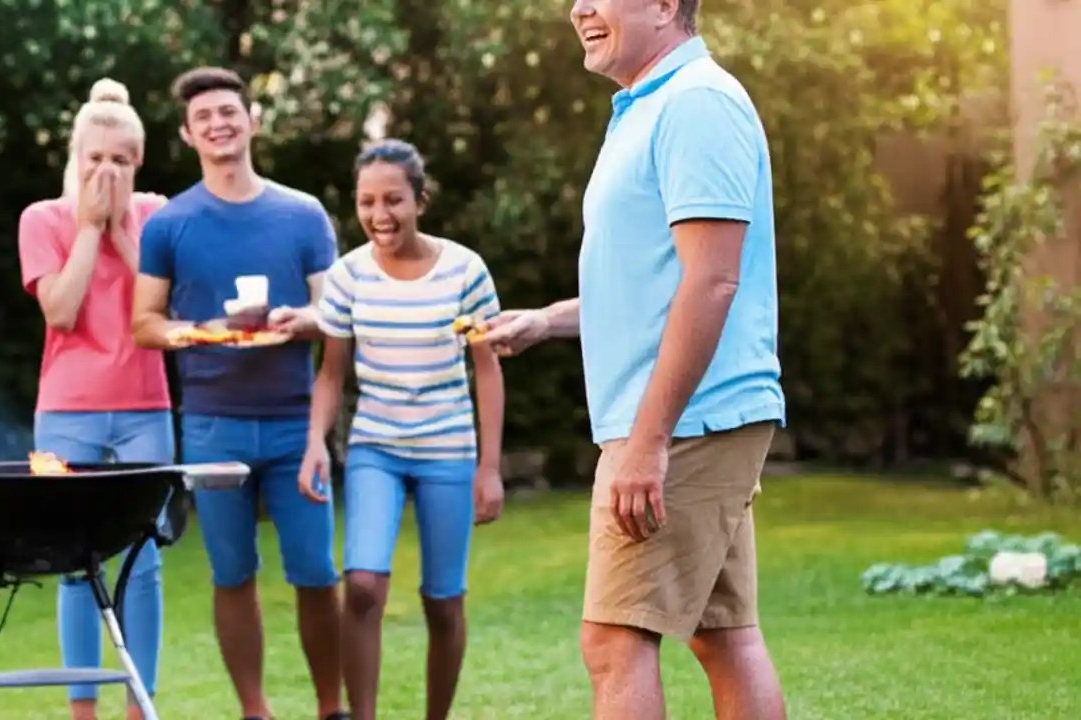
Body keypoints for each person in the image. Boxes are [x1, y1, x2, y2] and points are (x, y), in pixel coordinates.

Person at [484, 2, 788, 719]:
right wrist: (547, 321)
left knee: (614, 642)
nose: (579, 7)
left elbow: (713, 280)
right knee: (723, 635)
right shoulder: (649, 106)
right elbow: (656, 284)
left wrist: (647, 442)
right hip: (694, 415)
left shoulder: (696, 103)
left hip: (684, 419)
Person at [130, 66, 347, 720]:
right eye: (205, 118)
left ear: (252, 120)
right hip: (211, 426)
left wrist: (299, 322)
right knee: (232, 575)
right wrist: (207, 332)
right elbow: (144, 324)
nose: (219, 124)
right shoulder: (169, 224)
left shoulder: (302, 213)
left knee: (315, 573)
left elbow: (336, 314)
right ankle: (256, 710)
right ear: (188, 134)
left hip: (294, 427)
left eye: (230, 111)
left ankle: (330, 708)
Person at [300, 139, 506, 720]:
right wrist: (316, 441)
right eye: (367, 202)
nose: (379, 215)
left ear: (421, 199)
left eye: (393, 199)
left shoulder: (465, 270)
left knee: (443, 603)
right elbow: (332, 373)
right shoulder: (348, 277)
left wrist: (488, 468)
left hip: (447, 449)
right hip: (376, 449)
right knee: (361, 586)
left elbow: (487, 371)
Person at [17, 78, 172, 720]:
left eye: (121, 160)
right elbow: (59, 311)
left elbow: (164, 308)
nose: (107, 171)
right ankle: (83, 710)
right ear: (75, 158)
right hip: (65, 410)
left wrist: (124, 236)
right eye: (96, 158)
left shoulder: (159, 217)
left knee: (143, 564)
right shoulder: (42, 219)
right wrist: (88, 231)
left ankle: (139, 708)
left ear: (138, 164)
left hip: (146, 407)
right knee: (75, 565)